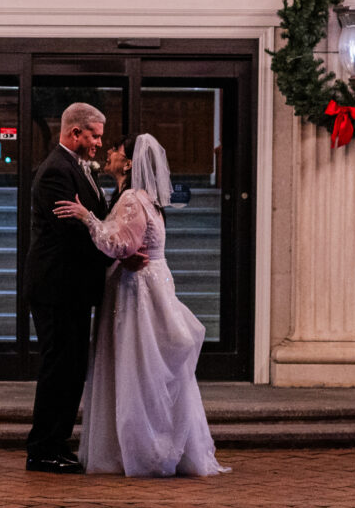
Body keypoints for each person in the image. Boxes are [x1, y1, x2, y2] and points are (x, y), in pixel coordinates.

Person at [54, 134, 228, 478]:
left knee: (135, 367)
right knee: (143, 368)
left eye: (115, 150)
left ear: (129, 162)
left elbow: (119, 245)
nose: (108, 152)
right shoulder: (142, 198)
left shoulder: (133, 198)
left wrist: (87, 218)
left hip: (137, 293)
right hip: (150, 284)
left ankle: (141, 449)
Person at [22, 102, 139, 474]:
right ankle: (42, 449)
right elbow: (71, 233)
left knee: (72, 368)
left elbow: (94, 220)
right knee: (58, 367)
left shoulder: (77, 167)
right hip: (56, 287)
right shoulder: (56, 171)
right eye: (95, 136)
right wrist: (115, 256)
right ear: (76, 133)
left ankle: (58, 442)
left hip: (71, 288)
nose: (100, 144)